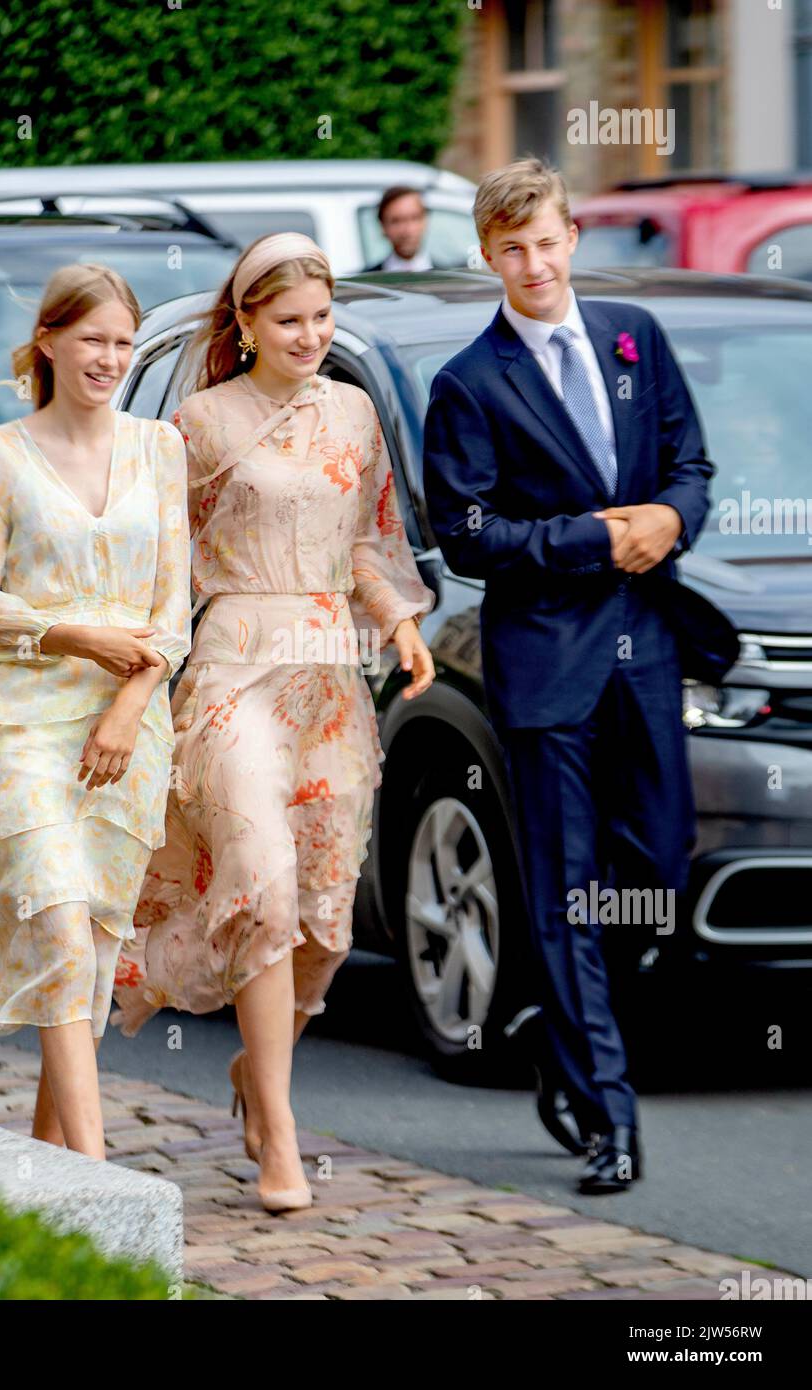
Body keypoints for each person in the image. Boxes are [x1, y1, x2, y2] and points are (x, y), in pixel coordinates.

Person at [423, 158, 734, 1194]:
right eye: (511, 249)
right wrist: (590, 540)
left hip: (645, 647)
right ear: (487, 257)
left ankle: (553, 1027)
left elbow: (689, 463)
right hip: (544, 663)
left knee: (659, 864)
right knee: (563, 893)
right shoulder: (467, 382)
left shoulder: (634, 337)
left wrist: (670, 518)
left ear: (571, 238)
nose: (534, 262)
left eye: (547, 241)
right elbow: (466, 534)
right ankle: (607, 1112)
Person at [111, 232, 436, 1211]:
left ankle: (259, 1075)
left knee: (325, 920)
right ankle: (281, 1136)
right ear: (244, 321)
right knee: (259, 878)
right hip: (232, 671)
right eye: (288, 320)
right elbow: (158, 564)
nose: (309, 336)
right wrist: (130, 681)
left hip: (332, 680)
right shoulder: (198, 424)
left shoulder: (353, 410)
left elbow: (373, 544)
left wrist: (402, 629)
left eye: (323, 319)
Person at [0, 264, 192, 1160]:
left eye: (125, 343)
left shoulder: (160, 450)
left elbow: (174, 608)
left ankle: (52, 1165)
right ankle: (95, 1176)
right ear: (48, 341)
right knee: (57, 918)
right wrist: (79, 637)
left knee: (90, 953)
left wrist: (130, 702)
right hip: (20, 720)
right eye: (92, 339)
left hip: (130, 728)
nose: (110, 358)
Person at [363, 186, 441, 272]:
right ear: (382, 226)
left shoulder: (448, 279)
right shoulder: (363, 282)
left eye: (414, 218)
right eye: (396, 221)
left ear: (425, 220)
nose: (407, 231)